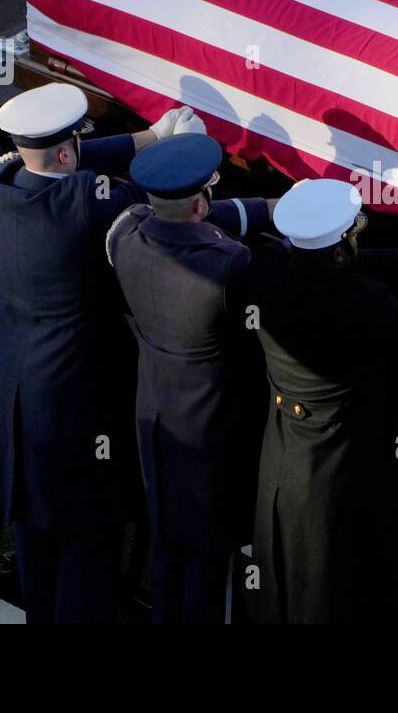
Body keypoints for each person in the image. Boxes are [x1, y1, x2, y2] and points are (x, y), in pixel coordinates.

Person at [0, 83, 200, 623]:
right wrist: (174, 150)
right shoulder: (86, 207)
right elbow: (165, 196)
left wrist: (146, 136)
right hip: (78, 402)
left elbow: (62, 163)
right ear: (65, 154)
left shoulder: (0, 189)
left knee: (35, 534)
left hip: (19, 395)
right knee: (89, 542)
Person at [245, 179, 398, 622]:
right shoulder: (353, 303)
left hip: (285, 446)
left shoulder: (265, 270)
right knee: (336, 581)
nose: (355, 242)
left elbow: (331, 265)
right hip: (340, 460)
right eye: (352, 235)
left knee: (289, 569)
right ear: (338, 251)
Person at [105, 133, 274, 623]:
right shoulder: (229, 264)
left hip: (154, 415)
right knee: (208, 555)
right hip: (212, 432)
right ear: (202, 202)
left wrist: (257, 210)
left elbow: (163, 220)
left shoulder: (126, 238)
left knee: (168, 538)